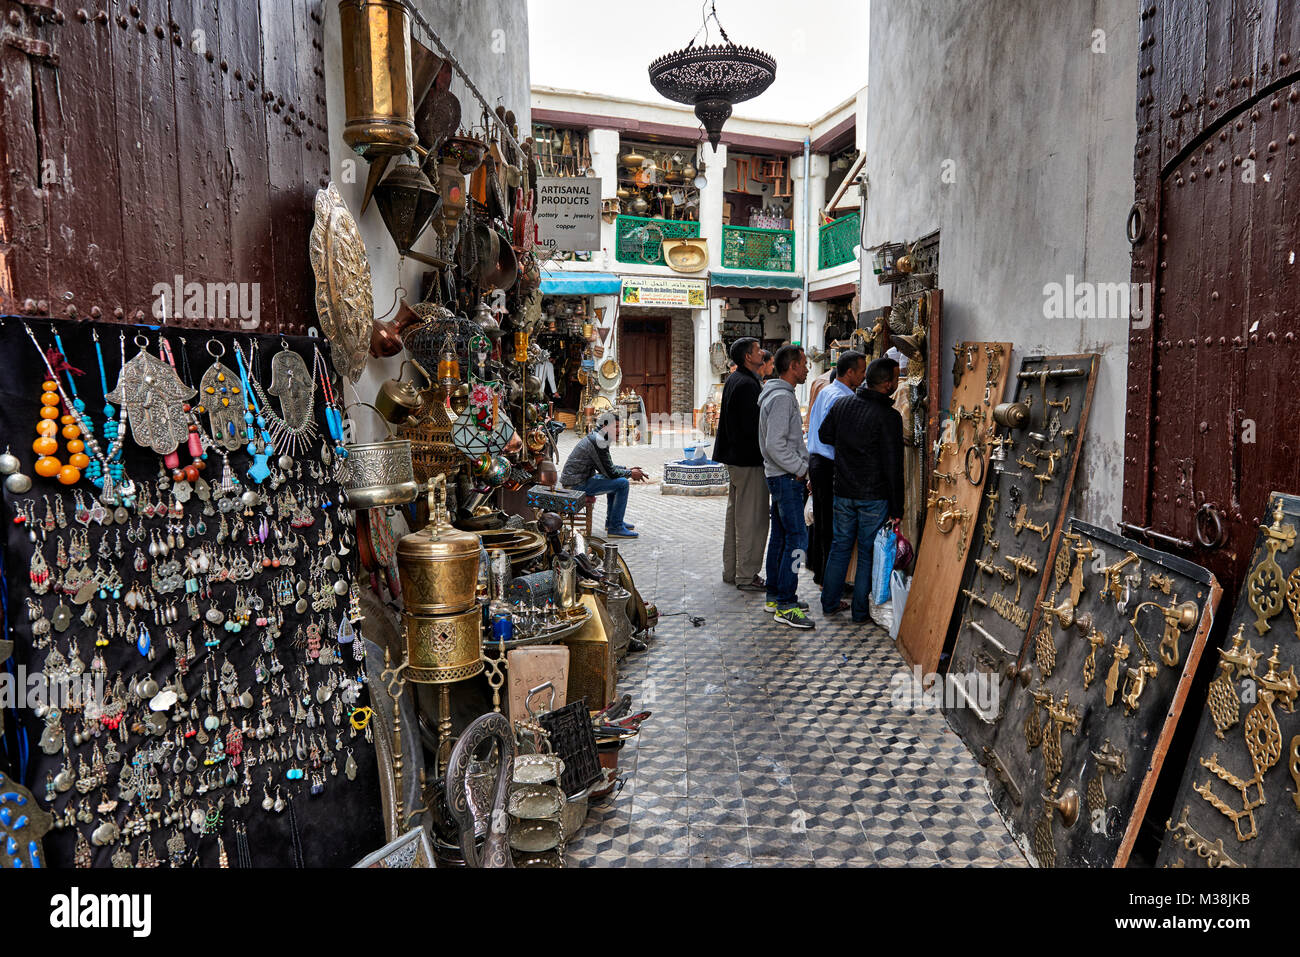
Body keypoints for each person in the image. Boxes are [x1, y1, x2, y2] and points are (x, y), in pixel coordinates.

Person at [818, 356, 904, 623]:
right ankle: (859, 611)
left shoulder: (843, 404)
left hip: (843, 490)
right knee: (867, 551)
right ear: (888, 384)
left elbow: (824, 435)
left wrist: (848, 447)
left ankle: (830, 603)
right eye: (896, 378)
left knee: (840, 546)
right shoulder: (889, 417)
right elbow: (893, 465)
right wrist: (897, 506)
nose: (898, 381)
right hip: (873, 496)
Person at [758, 344, 814, 629]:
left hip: (780, 477)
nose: (807, 369)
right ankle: (787, 604)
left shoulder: (778, 393)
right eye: (804, 364)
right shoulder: (781, 398)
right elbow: (775, 445)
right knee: (797, 541)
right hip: (787, 478)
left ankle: (775, 596)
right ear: (792, 367)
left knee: (780, 538)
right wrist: (802, 469)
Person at [805, 350, 866, 589]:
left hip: (820, 463)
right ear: (849, 372)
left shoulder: (830, 391)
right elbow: (832, 437)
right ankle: (828, 583)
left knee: (825, 523)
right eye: (861, 371)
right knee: (830, 525)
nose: (863, 376)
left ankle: (824, 577)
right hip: (828, 464)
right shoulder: (838, 397)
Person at [713, 337, 769, 591]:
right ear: (748, 356)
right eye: (758, 350)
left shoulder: (738, 379)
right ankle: (746, 575)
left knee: (736, 516)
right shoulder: (747, 384)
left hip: (736, 459)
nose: (762, 353)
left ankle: (733, 571)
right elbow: (752, 428)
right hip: (747, 460)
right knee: (751, 519)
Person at [559, 411, 648, 538]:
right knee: (622, 483)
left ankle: (612, 521)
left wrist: (627, 469)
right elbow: (610, 472)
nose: (619, 430)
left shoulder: (599, 437)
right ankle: (615, 527)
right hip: (575, 484)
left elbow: (606, 467)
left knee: (618, 479)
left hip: (579, 480)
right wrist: (629, 473)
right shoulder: (599, 440)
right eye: (616, 426)